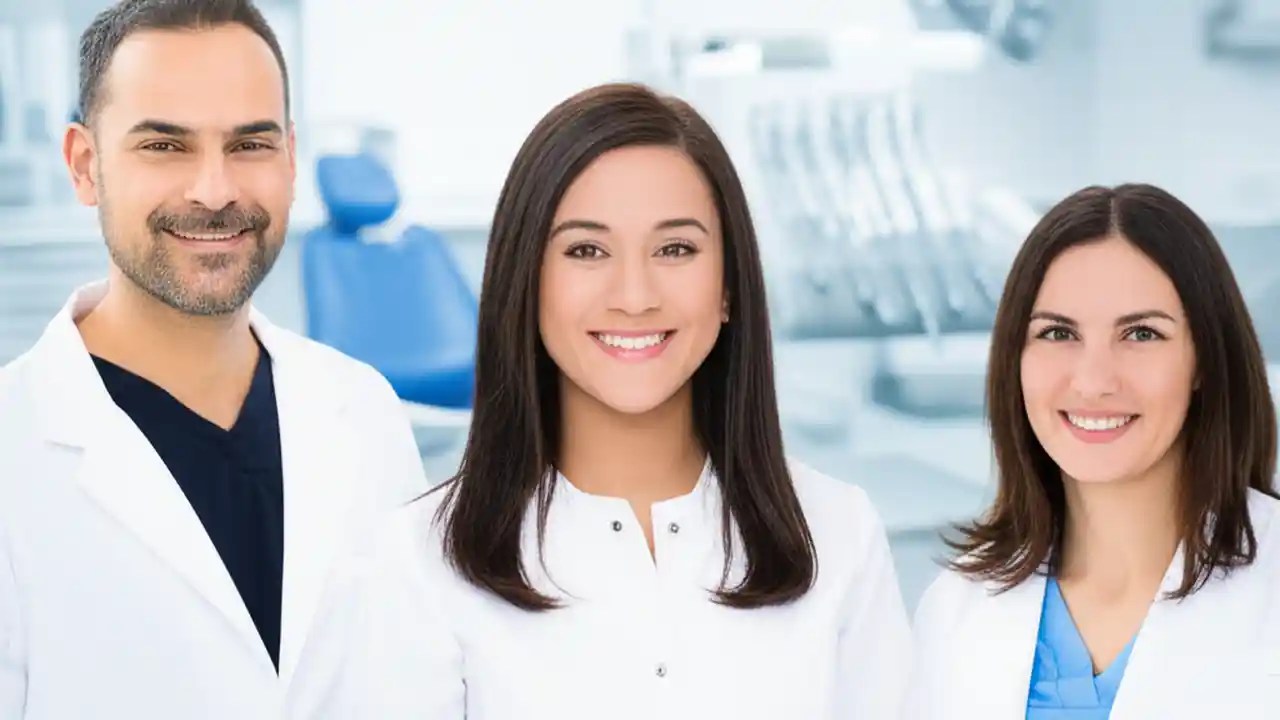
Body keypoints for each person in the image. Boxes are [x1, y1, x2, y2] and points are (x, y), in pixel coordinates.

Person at [318, 82, 912, 719]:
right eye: (586, 250)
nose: (634, 294)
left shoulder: (838, 533)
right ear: (528, 284)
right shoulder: (420, 560)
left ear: (729, 287)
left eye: (675, 249)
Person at [0, 1, 428, 717]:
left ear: (290, 161)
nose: (215, 190)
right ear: (85, 166)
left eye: (250, 145)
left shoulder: (364, 409)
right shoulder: (14, 449)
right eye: (164, 147)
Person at [906, 184, 1280, 718]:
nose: (1094, 380)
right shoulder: (956, 608)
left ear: (1203, 360)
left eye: (1142, 334)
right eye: (1058, 333)